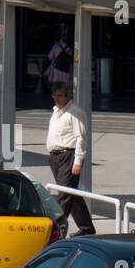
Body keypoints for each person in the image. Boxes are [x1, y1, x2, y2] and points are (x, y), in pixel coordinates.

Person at [46, 84, 95, 236]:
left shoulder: (75, 113)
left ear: (68, 96)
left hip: (68, 155)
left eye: (59, 95)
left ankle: (57, 229)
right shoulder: (55, 111)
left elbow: (81, 138)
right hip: (55, 156)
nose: (56, 99)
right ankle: (86, 227)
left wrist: (78, 161)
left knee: (64, 195)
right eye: (54, 95)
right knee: (71, 193)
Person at [46, 23, 74, 91]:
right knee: (66, 88)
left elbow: (50, 57)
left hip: (57, 70)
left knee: (56, 88)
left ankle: (57, 98)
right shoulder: (71, 48)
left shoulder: (56, 46)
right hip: (67, 70)